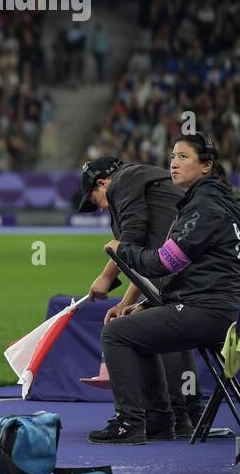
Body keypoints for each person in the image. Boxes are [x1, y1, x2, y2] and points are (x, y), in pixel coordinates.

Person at [90, 134, 240, 444]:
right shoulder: (220, 202)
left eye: (184, 157)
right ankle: (159, 421)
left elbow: (165, 263)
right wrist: (143, 304)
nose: (174, 162)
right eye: (173, 156)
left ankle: (129, 424)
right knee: (133, 328)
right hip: (222, 308)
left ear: (206, 167)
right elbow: (190, 270)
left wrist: (122, 250)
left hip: (210, 310)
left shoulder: (205, 207)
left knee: (115, 334)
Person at [73, 154, 201, 436]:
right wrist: (126, 302)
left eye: (94, 199)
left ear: (103, 182)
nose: (98, 207)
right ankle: (180, 418)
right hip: (189, 280)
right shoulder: (146, 182)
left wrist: (106, 277)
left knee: (124, 330)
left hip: (189, 286)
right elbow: (149, 256)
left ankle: (135, 421)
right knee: (143, 317)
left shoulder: (124, 181)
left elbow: (132, 236)